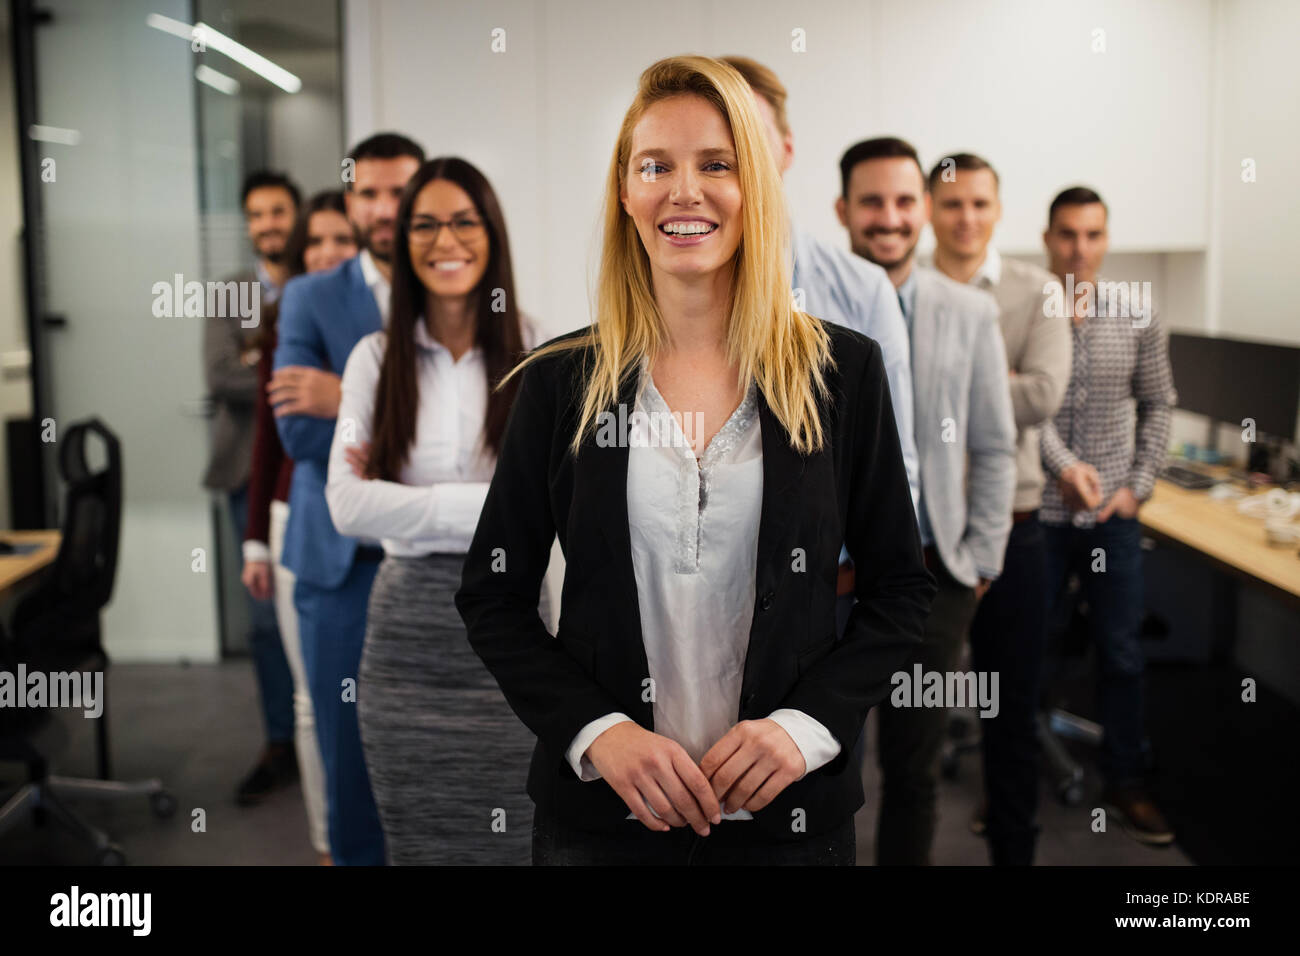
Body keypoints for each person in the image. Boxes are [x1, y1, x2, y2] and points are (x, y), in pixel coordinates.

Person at [456, 55, 934, 866]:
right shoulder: (559, 381)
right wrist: (597, 733)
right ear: (625, 191)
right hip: (605, 826)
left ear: (757, 184)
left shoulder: (841, 373)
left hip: (788, 822)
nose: (685, 191)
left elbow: (902, 592)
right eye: (656, 166)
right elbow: (492, 596)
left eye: (717, 164)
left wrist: (803, 729)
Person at [325, 157, 542, 864]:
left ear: (491, 234)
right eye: (424, 224)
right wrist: (495, 507)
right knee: (418, 842)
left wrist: (409, 506)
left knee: (516, 840)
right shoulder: (373, 360)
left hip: (513, 630)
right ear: (400, 241)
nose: (444, 239)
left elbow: (551, 511)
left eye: (462, 221)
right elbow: (346, 504)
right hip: (405, 646)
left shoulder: (535, 350)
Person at [836, 137, 1017, 864]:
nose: (889, 217)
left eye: (904, 200)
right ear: (843, 210)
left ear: (924, 210)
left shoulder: (968, 311)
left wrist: (979, 564)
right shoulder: (809, 300)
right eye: (871, 201)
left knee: (913, 771)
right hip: (834, 582)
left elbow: (996, 444)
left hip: (935, 575)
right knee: (826, 770)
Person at [719, 57, 920, 619]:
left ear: (786, 148)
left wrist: (862, 574)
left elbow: (895, 454)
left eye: (751, 138)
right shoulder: (662, 290)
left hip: (828, 591)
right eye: (719, 143)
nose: (736, 159)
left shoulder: (862, 290)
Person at [273, 132, 425, 865]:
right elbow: (299, 434)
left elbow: (483, 437)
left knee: (436, 753)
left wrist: (350, 395)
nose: (384, 208)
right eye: (368, 192)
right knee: (348, 756)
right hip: (339, 563)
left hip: (433, 559)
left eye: (400, 192)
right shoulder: (310, 296)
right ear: (349, 199)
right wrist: (417, 415)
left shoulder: (457, 285)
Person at [925, 152, 1071, 865]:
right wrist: (991, 383)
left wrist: (949, 391)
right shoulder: (904, 288)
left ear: (999, 210)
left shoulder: (1035, 290)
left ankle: (1015, 853)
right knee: (911, 715)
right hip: (924, 534)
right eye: (952, 205)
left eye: (980, 205)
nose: (967, 218)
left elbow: (1044, 394)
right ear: (929, 210)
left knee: (1011, 711)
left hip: (1014, 526)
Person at [1038, 186, 1176, 846]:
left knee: (1121, 653)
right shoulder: (1025, 311)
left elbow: (1160, 404)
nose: (1079, 249)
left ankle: (1126, 782)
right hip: (1034, 513)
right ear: (1046, 238)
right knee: (1022, 651)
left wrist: (1138, 488)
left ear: (1107, 239)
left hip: (1113, 517)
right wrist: (1063, 468)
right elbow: (1017, 409)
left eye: (1092, 235)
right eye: (1067, 234)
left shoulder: (1138, 314)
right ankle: (1016, 782)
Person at [241, 190, 357, 864]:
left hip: (372, 524)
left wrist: (342, 394)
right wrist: (256, 537)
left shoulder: (382, 318)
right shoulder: (293, 318)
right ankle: (326, 843)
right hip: (300, 517)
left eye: (339, 240)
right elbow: (271, 441)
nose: (324, 253)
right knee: (314, 701)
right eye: (313, 243)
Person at [203, 170, 300, 806]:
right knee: (265, 622)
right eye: (256, 214)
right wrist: (285, 374)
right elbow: (219, 376)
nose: (267, 223)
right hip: (249, 472)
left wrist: (256, 358)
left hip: (314, 475)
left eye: (277, 212)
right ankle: (279, 741)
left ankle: (328, 729)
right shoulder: (230, 293)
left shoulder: (320, 281)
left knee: (320, 607)